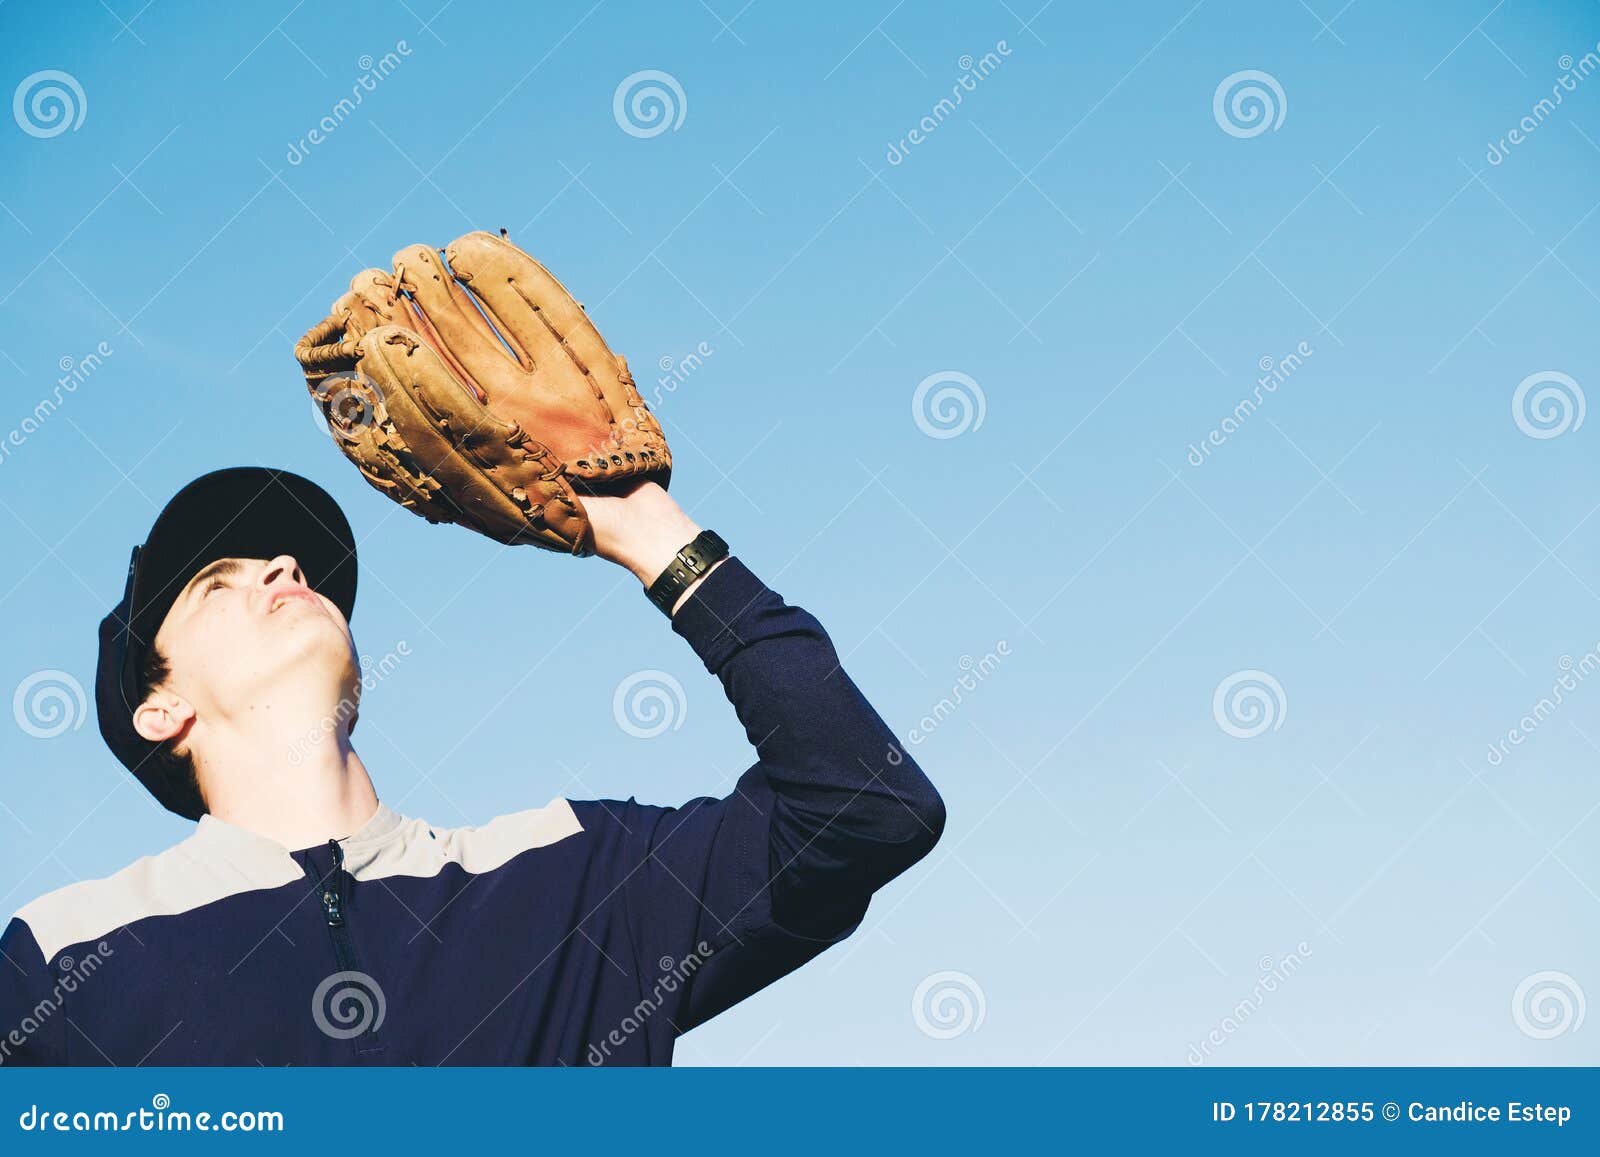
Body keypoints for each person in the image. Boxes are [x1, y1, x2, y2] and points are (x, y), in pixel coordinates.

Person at [0, 466, 943, 1065]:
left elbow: (866, 807)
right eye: (217, 582)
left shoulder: (574, 872)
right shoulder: (61, 960)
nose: (283, 564)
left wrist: (649, 531)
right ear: (161, 710)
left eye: (288, 561)